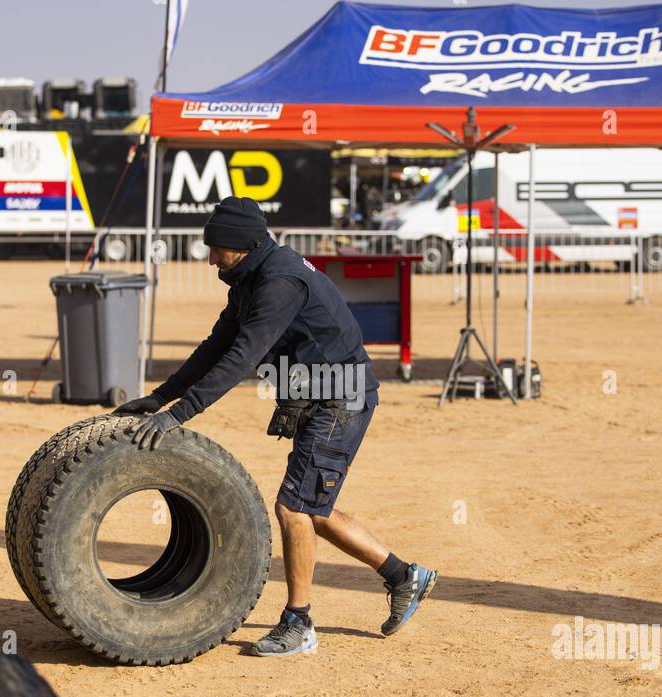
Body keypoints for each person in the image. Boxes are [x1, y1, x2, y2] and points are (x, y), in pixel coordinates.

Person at [114, 196, 437, 656]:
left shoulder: (278, 282)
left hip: (340, 397)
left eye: (216, 249)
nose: (209, 259)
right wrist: (163, 395)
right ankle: (404, 576)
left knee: (293, 508)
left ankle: (299, 623)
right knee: (312, 510)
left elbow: (241, 358)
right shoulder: (249, 277)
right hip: (322, 393)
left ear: (242, 244)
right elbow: (215, 346)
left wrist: (179, 415)